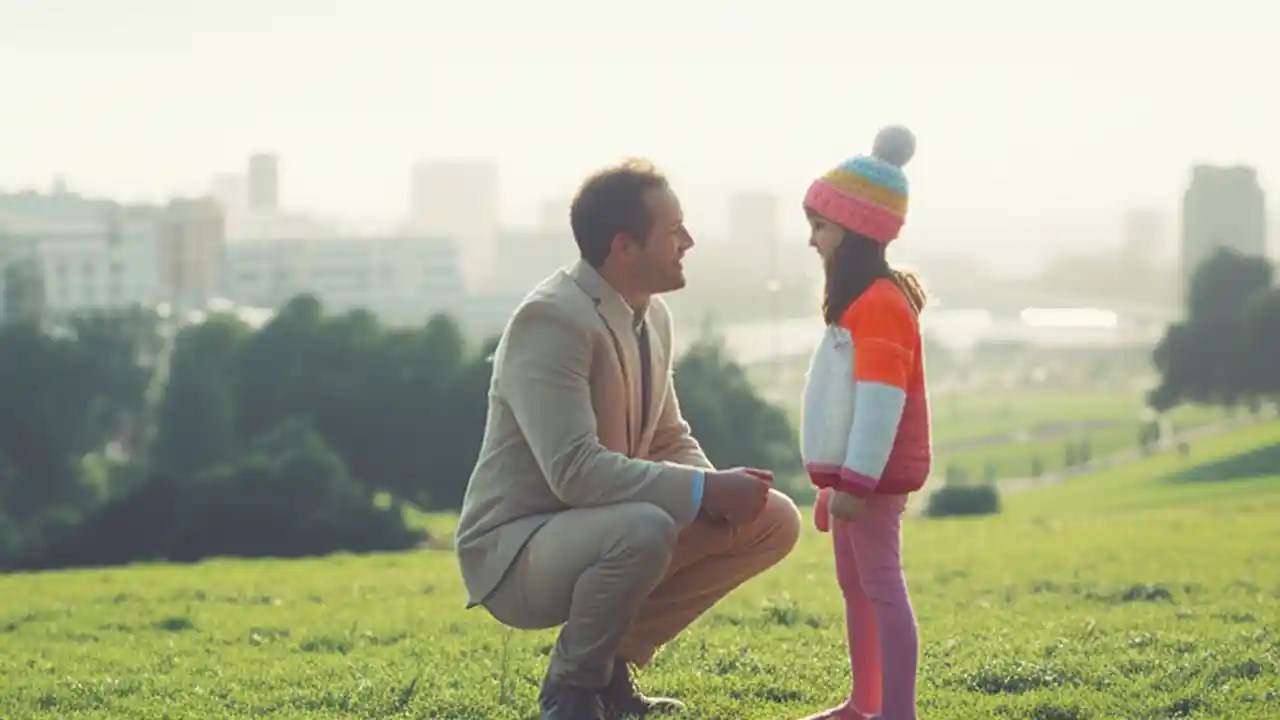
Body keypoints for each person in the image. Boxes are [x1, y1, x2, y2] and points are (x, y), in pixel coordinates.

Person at [454, 158, 802, 719]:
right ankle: (570, 691)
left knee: (773, 520)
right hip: (517, 551)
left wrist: (717, 496)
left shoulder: (653, 315)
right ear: (624, 247)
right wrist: (705, 493)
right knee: (643, 528)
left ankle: (614, 669)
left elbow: (668, 437)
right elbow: (574, 472)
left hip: (608, 527)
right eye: (674, 231)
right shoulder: (552, 320)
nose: (688, 241)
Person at [794, 126, 933, 720]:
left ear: (852, 231)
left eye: (820, 227)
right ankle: (864, 702)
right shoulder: (859, 302)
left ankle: (895, 712)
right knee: (856, 588)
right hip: (852, 483)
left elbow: (879, 406)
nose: (812, 241)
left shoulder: (879, 304)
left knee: (882, 587)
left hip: (870, 483)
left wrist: (854, 483)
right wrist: (834, 486)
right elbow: (843, 405)